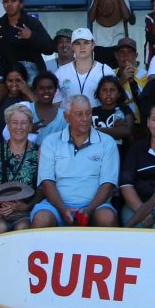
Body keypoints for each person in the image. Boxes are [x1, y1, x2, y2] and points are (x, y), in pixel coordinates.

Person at [31, 96, 119, 227]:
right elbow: (47, 181)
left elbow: (107, 184)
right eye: (79, 114)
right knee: (41, 218)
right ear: (67, 117)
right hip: (57, 205)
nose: (85, 119)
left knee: (107, 217)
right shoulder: (50, 142)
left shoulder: (107, 142)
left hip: (95, 205)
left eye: (88, 113)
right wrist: (62, 209)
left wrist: (88, 210)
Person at [0, 0, 54, 124]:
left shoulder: (32, 23)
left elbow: (49, 48)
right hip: (8, 72)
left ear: (21, 3)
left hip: (31, 70)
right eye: (6, 1)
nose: (9, 4)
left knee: (34, 108)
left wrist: (31, 36)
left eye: (13, 0)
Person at [0, 104, 39, 235]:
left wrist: (26, 207)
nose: (19, 127)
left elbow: (42, 189)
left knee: (22, 229)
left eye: (23, 123)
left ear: (30, 126)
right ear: (8, 125)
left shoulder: (38, 152)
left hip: (25, 210)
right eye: (14, 123)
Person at [54, 28, 115, 110]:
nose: (82, 47)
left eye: (86, 43)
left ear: (93, 45)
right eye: (77, 43)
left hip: (97, 121)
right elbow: (55, 104)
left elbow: (114, 101)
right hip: (67, 121)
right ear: (72, 46)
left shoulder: (105, 71)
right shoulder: (61, 72)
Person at [88, 0, 135, 66]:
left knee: (119, 74)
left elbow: (126, 17)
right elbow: (91, 18)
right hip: (100, 45)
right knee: (102, 76)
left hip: (118, 44)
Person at [93, 75, 135, 160]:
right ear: (99, 94)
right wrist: (115, 131)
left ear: (119, 93)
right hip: (96, 156)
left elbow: (127, 131)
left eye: (112, 90)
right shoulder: (92, 112)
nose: (108, 94)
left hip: (120, 156)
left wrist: (96, 131)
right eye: (104, 90)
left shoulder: (125, 110)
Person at [114, 36, 147, 123]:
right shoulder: (109, 73)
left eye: (129, 52)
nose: (125, 56)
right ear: (116, 55)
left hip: (139, 123)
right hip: (115, 122)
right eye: (122, 52)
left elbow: (145, 102)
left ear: (135, 56)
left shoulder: (144, 75)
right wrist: (121, 80)